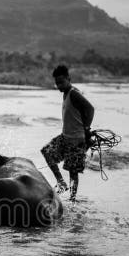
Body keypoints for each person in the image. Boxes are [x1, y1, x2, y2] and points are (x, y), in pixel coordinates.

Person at [40, 64, 94, 202]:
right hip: (65, 137)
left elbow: (90, 109)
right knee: (46, 151)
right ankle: (61, 183)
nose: (58, 85)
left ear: (69, 79)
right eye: (56, 83)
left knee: (73, 172)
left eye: (61, 82)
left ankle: (72, 199)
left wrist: (87, 129)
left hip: (77, 140)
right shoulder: (65, 94)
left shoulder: (74, 93)